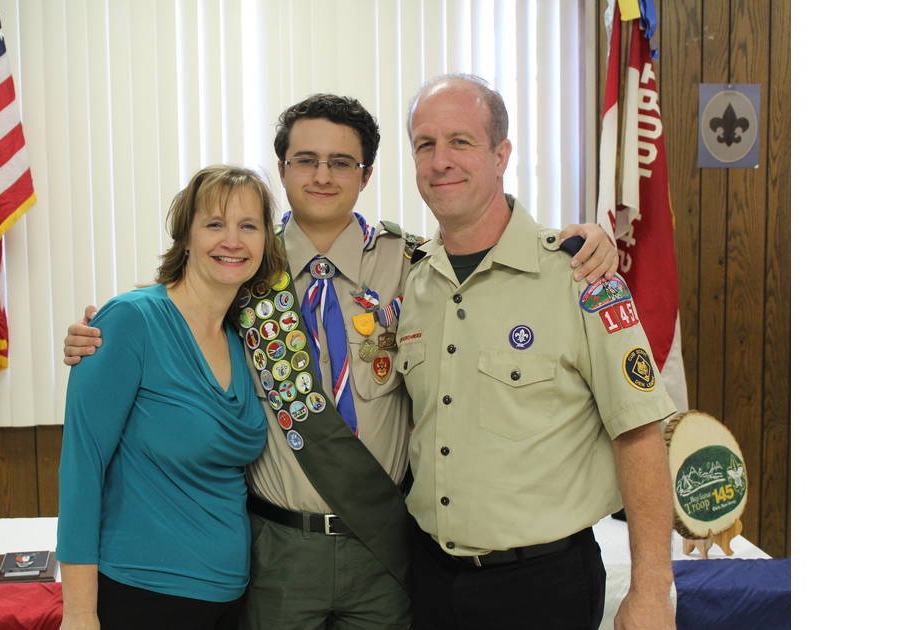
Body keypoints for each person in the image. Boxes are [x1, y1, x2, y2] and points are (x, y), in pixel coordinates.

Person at [62, 95, 618, 630]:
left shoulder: (414, 262)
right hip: (276, 549)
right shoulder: (249, 264)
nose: (322, 176)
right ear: (282, 170)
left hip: (383, 544)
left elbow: (491, 255)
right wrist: (97, 335)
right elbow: (176, 311)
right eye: (305, 160)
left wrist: (584, 241)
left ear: (366, 173)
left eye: (341, 162)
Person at [398, 74, 677, 630]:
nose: (440, 160)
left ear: (502, 155)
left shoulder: (581, 274)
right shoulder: (410, 281)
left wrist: (651, 590)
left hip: (540, 588)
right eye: (425, 145)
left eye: (460, 141)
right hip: (427, 580)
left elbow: (639, 433)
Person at [56, 165, 287, 630]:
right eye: (214, 224)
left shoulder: (246, 339)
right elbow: (81, 469)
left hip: (230, 597)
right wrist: (79, 612)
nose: (233, 241)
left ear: (265, 242)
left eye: (248, 226)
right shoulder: (130, 322)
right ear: (185, 237)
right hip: (141, 593)